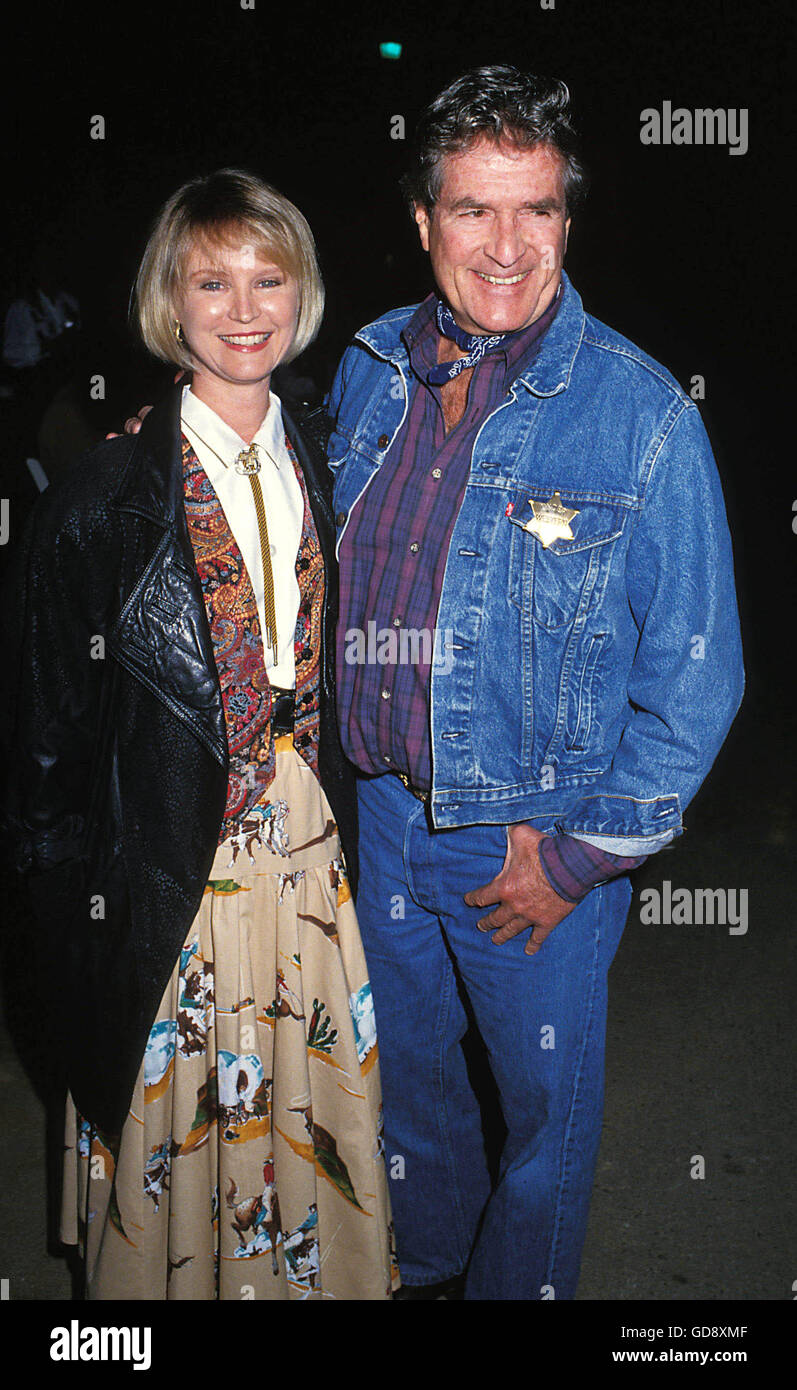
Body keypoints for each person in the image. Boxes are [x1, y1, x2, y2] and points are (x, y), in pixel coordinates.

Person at [324, 66, 744, 1300]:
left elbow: (694, 686)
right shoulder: (365, 369)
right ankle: (426, 1277)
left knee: (540, 1135)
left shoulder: (640, 416)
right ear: (421, 220)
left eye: (537, 210)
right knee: (409, 1108)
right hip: (382, 822)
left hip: (528, 841)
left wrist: (573, 857)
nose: (505, 247)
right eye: (471, 209)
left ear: (567, 218)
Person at [2, 169, 397, 1300]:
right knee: (184, 1127)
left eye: (267, 278)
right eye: (209, 280)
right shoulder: (99, 499)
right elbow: (44, 756)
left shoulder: (326, 453)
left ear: (302, 293)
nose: (241, 307)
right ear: (167, 303)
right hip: (169, 857)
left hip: (310, 851)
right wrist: (66, 945)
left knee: (303, 1098)